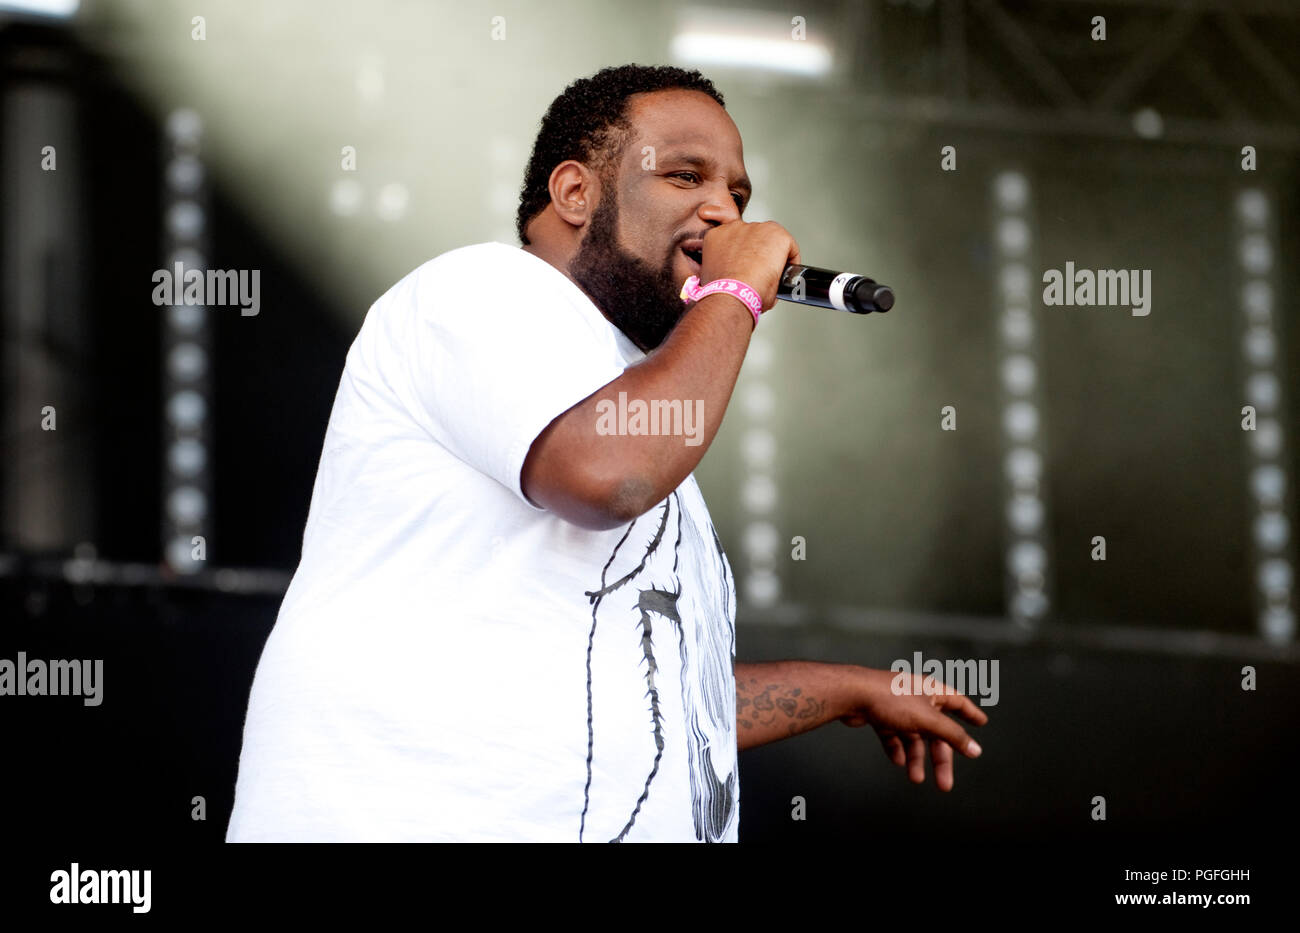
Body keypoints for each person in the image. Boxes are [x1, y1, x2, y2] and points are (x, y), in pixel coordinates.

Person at [226, 63, 987, 843]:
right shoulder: (479, 292)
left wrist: (848, 690)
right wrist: (735, 297)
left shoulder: (627, 409)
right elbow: (607, 475)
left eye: (739, 194)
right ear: (575, 192)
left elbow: (665, 700)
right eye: (686, 174)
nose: (723, 209)